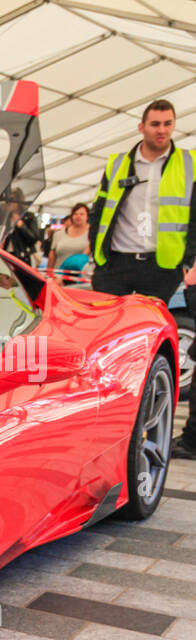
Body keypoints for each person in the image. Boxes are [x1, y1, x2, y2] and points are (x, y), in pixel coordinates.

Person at [86, 100, 196, 458]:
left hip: (160, 267)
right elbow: (100, 207)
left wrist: (189, 260)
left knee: (150, 343)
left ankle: (143, 415)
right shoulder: (118, 162)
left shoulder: (187, 164)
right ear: (141, 127)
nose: (161, 130)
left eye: (167, 124)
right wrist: (95, 250)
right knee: (103, 341)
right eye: (155, 124)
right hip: (115, 264)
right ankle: (101, 416)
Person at [46, 203, 91, 282]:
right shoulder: (59, 233)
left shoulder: (92, 234)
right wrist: (49, 274)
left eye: (82, 214)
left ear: (87, 216)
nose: (78, 216)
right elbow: (52, 255)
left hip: (81, 280)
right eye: (75, 214)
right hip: (58, 278)